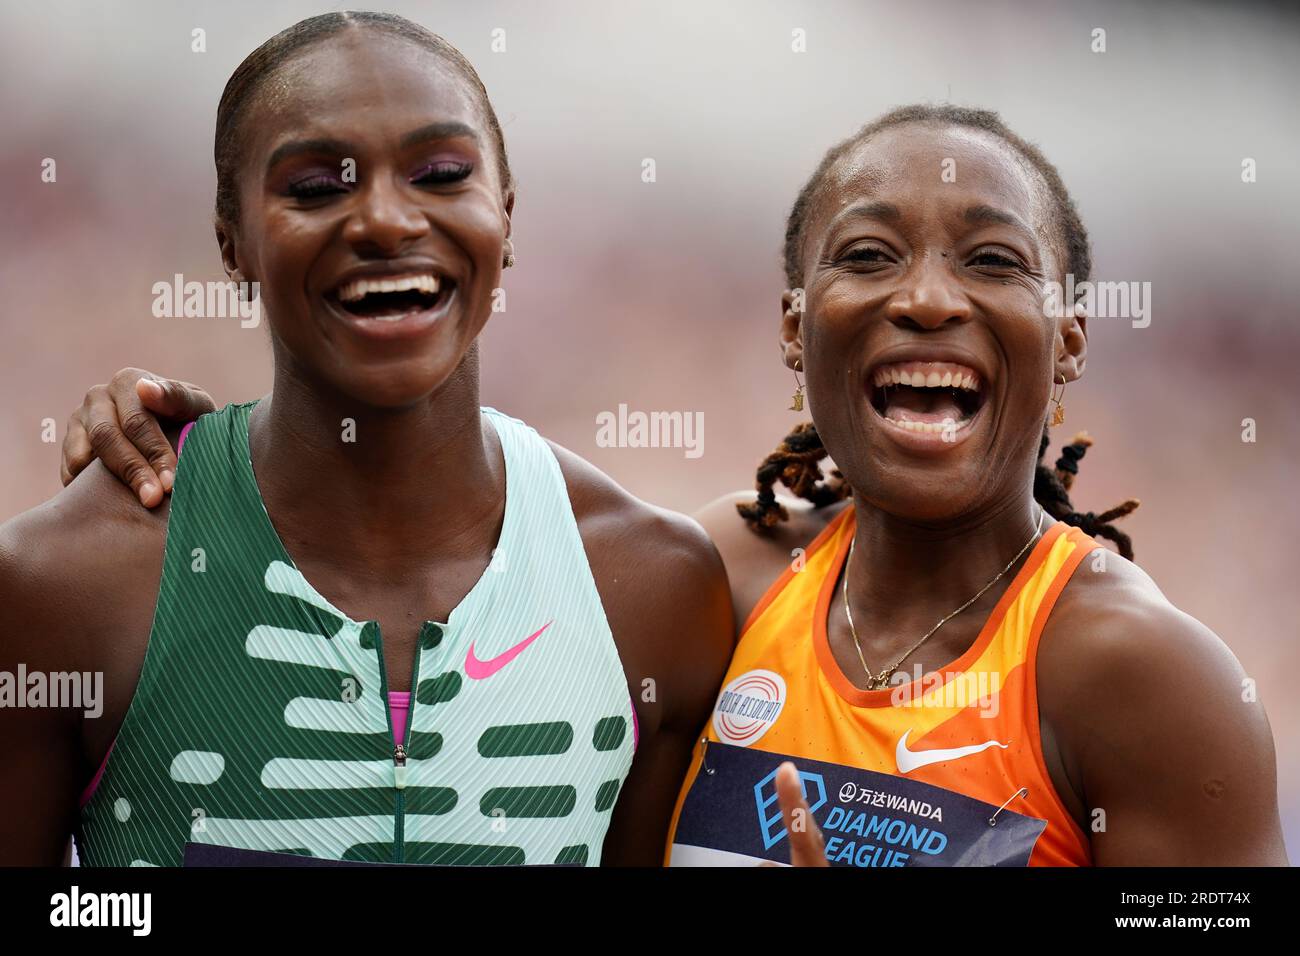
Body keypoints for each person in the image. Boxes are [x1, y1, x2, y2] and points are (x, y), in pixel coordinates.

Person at [54, 101, 1289, 867]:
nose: (925, 295)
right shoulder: (707, 582)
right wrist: (213, 446)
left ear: (1068, 339)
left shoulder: (1136, 672)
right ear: (798, 332)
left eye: (991, 261)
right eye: (868, 256)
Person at [0, 11, 733, 867]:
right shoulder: (71, 582)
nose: (385, 220)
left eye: (441, 173)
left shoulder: (653, 586)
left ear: (505, 212)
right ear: (230, 240)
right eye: (315, 188)